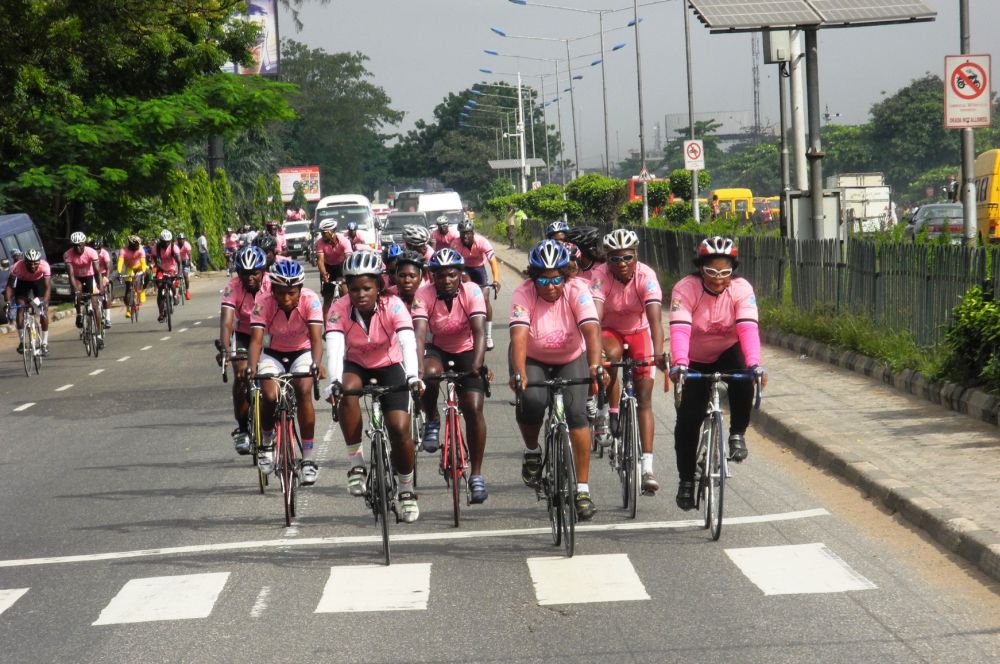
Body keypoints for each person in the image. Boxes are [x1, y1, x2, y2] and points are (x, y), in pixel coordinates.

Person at [324, 250, 423, 523]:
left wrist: (413, 376)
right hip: (356, 364)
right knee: (346, 390)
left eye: (367, 288)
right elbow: (334, 348)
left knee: (399, 428)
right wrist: (334, 381)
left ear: (379, 285)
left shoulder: (394, 305)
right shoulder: (339, 308)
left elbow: (407, 342)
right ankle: (356, 464)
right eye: (354, 289)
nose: (360, 294)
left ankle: (406, 489)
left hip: (390, 364)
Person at [668, 236, 765, 511]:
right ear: (700, 268)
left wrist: (755, 364)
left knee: (744, 374)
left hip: (727, 351)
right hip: (694, 357)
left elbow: (748, 328)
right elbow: (679, 330)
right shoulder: (685, 289)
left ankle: (737, 434)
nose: (718, 279)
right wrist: (680, 364)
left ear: (733, 270)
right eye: (711, 272)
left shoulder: (741, 289)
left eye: (725, 272)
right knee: (688, 422)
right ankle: (687, 480)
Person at [508, 240, 603, 520]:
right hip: (534, 357)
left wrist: (595, 365)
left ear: (566, 275)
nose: (550, 286)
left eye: (556, 279)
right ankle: (532, 451)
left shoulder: (577, 290)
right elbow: (519, 337)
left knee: (577, 415)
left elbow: (591, 330)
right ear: (533, 278)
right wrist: (519, 372)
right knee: (533, 400)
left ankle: (582, 490)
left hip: (571, 356)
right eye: (543, 280)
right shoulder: (523, 292)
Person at [589, 228, 666, 495]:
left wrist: (659, 354)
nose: (621, 263)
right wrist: (595, 355)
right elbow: (595, 319)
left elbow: (655, 321)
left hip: (639, 331)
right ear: (607, 260)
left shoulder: (647, 276)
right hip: (610, 331)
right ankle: (605, 408)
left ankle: (648, 468)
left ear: (636, 256)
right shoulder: (599, 276)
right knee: (609, 357)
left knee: (644, 398)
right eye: (614, 258)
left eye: (627, 257)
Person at [412, 247, 490, 503]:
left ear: (460, 274)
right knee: (430, 375)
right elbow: (419, 335)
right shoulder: (424, 294)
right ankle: (432, 418)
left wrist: (477, 365)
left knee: (473, 408)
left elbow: (479, 331)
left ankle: (476, 475)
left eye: (452, 275)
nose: (446, 280)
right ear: (432, 276)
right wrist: (418, 369)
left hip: (467, 350)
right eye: (440, 275)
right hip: (438, 349)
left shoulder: (472, 291)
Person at [247, 260, 323, 485]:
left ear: (300, 289)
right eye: (280, 293)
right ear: (272, 289)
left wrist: (316, 364)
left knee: (304, 391)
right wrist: (252, 367)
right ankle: (267, 442)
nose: (286, 298)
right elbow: (256, 340)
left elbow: (316, 339)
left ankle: (307, 458)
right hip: (273, 354)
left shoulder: (311, 300)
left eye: (292, 293)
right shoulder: (263, 302)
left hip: (302, 352)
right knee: (270, 396)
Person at [220, 246, 270, 455]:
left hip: (268, 334)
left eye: (254, 273)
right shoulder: (233, 287)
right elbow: (226, 322)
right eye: (244, 273)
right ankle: (242, 430)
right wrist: (225, 350)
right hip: (244, 334)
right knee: (241, 376)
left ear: (263, 271)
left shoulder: (271, 285)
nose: (250, 278)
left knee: (274, 375)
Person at [451, 219, 501, 351]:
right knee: (465, 296)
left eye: (468, 233)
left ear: (473, 233)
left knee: (485, 299)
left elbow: (493, 262)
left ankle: (488, 336)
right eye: (462, 233)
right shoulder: (455, 244)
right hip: (464, 269)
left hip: (479, 269)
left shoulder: (482, 242)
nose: (465, 236)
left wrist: (496, 280)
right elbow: (453, 264)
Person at [4, 249, 51, 356]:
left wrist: (44, 302)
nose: (33, 266)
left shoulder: (44, 266)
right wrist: (8, 302)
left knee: (43, 312)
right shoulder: (17, 266)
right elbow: (9, 286)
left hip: (38, 283)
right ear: (24, 262)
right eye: (29, 264)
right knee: (20, 309)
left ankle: (44, 343)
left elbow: (48, 287)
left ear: (39, 262)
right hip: (23, 284)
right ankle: (22, 342)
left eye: (35, 263)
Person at [64, 231, 105, 348]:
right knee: (78, 292)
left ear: (84, 243)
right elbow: (71, 275)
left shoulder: (91, 252)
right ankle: (79, 314)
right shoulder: (68, 254)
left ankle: (98, 334)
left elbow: (97, 271)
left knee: (95, 304)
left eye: (80, 245)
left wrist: (100, 286)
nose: (77, 248)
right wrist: (76, 291)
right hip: (77, 278)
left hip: (89, 276)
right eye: (75, 245)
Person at [314, 218, 354, 316]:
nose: (322, 235)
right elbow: (320, 261)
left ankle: (348, 315)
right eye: (321, 233)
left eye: (324, 233)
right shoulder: (320, 243)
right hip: (327, 267)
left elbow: (349, 259)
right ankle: (326, 324)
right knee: (327, 298)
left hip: (341, 266)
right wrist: (324, 274)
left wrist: (349, 275)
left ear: (331, 232)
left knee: (345, 292)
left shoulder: (344, 241)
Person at [150, 230, 182, 323]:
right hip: (161, 269)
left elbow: (179, 263)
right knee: (160, 287)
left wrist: (179, 274)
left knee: (170, 282)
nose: (166, 243)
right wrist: (157, 273)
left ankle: (175, 295)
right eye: (164, 242)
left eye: (168, 241)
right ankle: (161, 313)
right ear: (161, 241)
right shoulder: (156, 248)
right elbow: (156, 262)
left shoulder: (174, 247)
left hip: (171, 268)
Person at [117, 235, 148, 319]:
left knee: (147, 274)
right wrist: (119, 272)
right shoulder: (123, 250)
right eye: (136, 246)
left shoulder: (141, 250)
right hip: (130, 268)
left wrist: (143, 272)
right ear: (131, 245)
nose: (138, 247)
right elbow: (120, 262)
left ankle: (142, 291)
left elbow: (143, 263)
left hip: (139, 267)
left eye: (138, 245)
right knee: (128, 288)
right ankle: (128, 309)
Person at [90, 237, 114, 328]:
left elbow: (108, 267)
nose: (96, 251)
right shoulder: (89, 253)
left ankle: (108, 318)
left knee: (105, 294)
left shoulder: (104, 253)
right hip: (92, 274)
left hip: (103, 273)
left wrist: (106, 278)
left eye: (98, 249)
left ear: (101, 248)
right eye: (94, 249)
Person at [175, 232, 193, 300]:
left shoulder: (186, 245)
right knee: (175, 274)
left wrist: (190, 263)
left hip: (185, 261)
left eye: (182, 239)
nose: (181, 240)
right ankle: (177, 285)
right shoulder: (175, 245)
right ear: (177, 240)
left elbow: (189, 254)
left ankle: (187, 291)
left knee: (185, 276)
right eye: (180, 239)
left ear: (184, 239)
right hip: (177, 261)